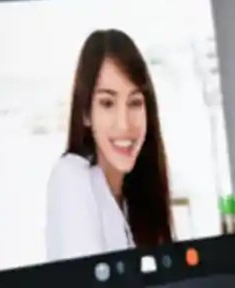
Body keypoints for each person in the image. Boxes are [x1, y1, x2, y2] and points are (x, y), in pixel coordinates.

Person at [46, 29, 174, 261]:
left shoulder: (137, 195)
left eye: (135, 102)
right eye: (107, 103)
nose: (124, 124)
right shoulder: (72, 177)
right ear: (86, 113)